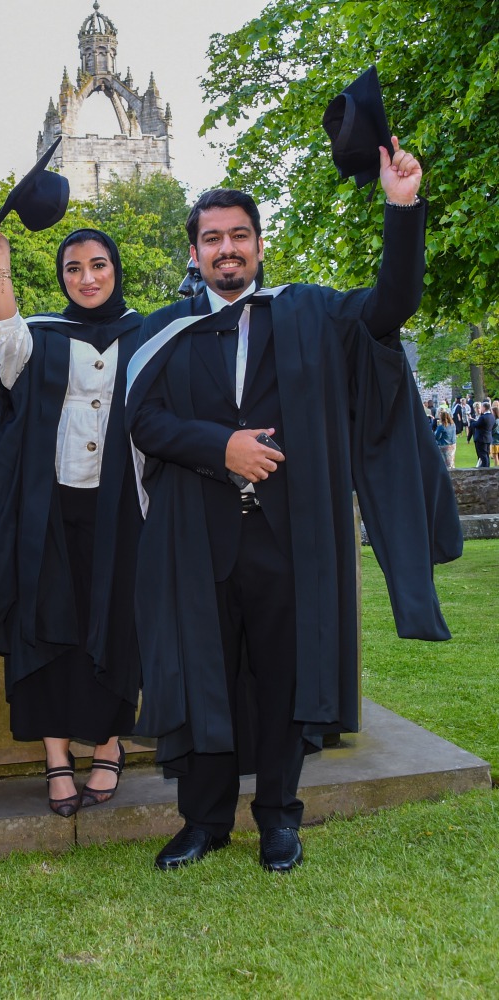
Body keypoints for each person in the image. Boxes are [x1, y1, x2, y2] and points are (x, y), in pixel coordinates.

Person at [125, 137, 461, 874]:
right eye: (212, 239)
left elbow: (391, 306)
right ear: (194, 252)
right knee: (202, 676)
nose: (227, 251)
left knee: (283, 677)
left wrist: (401, 209)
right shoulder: (161, 332)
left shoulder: (308, 315)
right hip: (197, 539)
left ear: (259, 243)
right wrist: (223, 447)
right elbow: (142, 422)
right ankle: (204, 822)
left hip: (289, 537)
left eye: (239, 236)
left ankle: (278, 817)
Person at [0, 227, 141, 816]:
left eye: (98, 265)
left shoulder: (146, 333)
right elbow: (3, 344)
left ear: (116, 268)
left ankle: (109, 747)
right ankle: (56, 758)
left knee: (110, 628)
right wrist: (3, 266)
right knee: (45, 630)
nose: (86, 278)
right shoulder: (42, 336)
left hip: (120, 510)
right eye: (73, 269)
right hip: (49, 509)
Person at [469, 402, 495, 468]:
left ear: (484, 408)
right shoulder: (492, 416)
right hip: (488, 437)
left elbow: (476, 425)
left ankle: (485, 469)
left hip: (481, 438)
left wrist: (471, 421)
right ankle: (487, 467)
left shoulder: (483, 417)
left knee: (483, 454)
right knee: (486, 454)